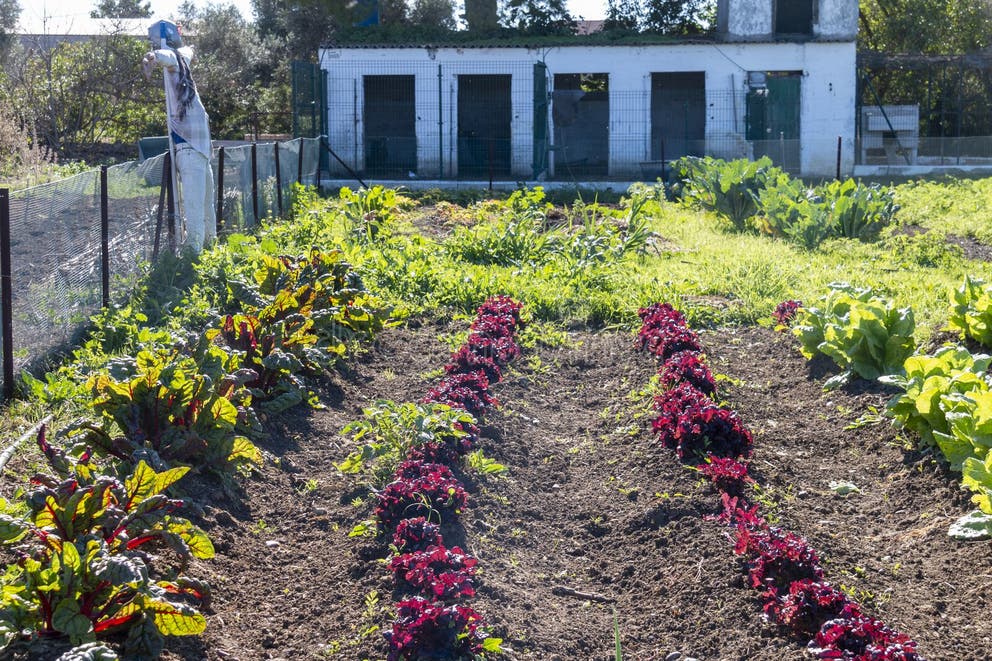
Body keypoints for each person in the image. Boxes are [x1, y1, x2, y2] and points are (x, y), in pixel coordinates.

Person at [142, 20, 216, 253]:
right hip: (189, 148)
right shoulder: (174, 62)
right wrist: (152, 57)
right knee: (194, 209)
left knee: (207, 206)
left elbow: (186, 51)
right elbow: (166, 56)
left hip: (202, 151)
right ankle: (193, 259)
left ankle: (211, 249)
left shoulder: (182, 59)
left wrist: (170, 47)